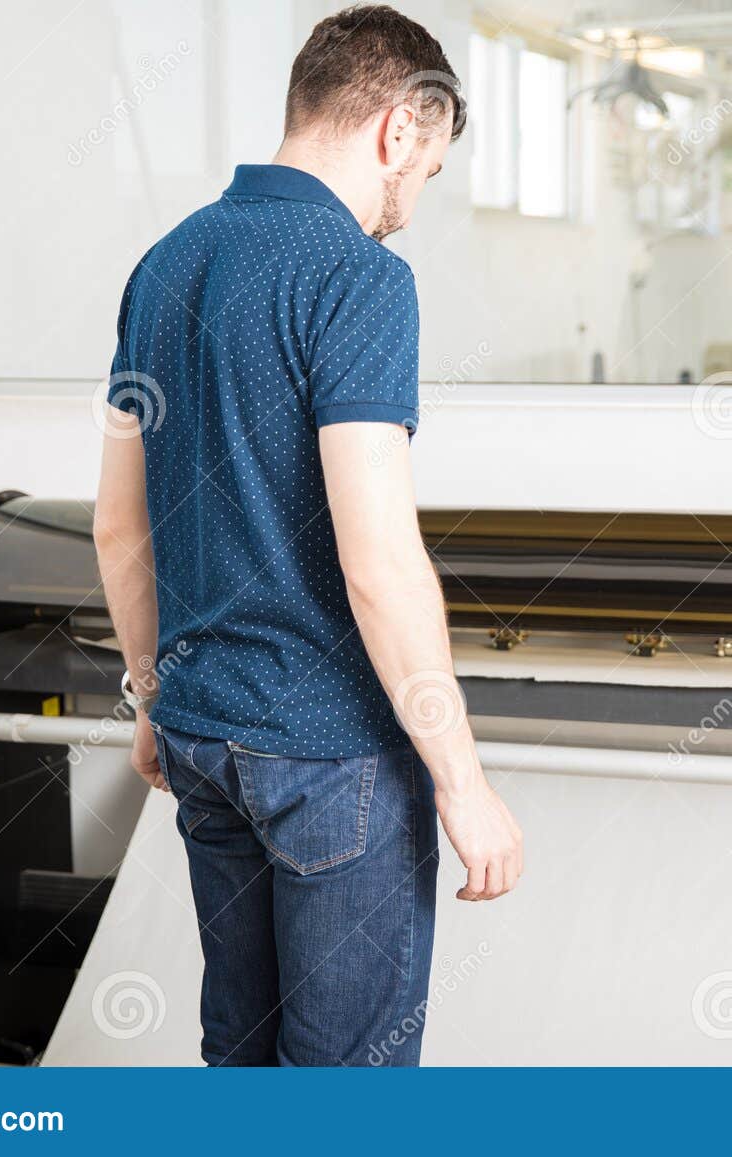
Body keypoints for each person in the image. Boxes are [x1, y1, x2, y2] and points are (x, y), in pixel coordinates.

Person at [92, 4, 522, 1067]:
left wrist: (153, 696)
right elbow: (376, 560)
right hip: (331, 757)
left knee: (239, 1053)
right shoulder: (357, 278)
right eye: (421, 174)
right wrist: (463, 782)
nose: (408, 211)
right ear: (396, 130)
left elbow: (119, 525)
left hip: (199, 732)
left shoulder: (164, 264)